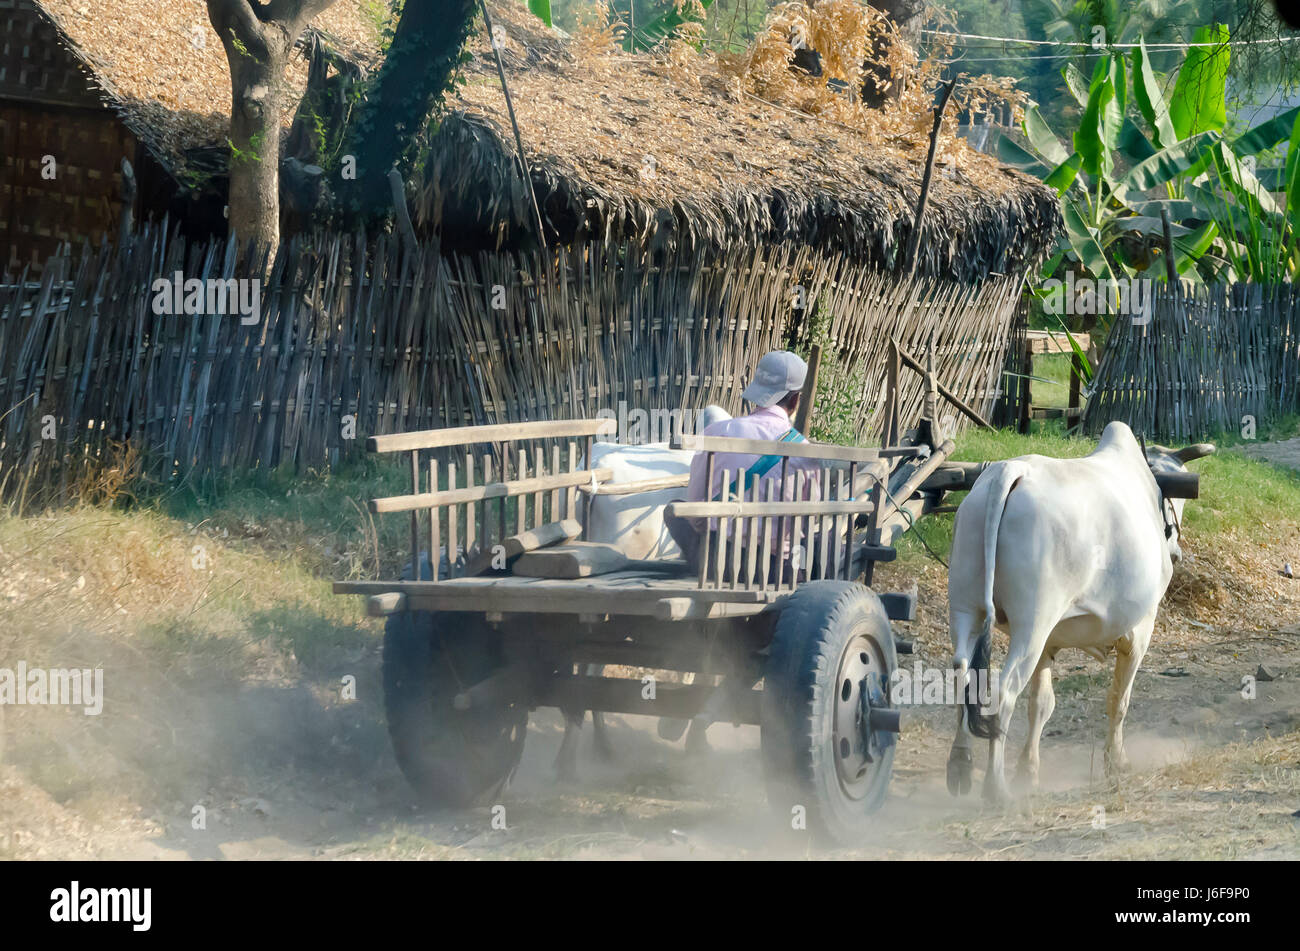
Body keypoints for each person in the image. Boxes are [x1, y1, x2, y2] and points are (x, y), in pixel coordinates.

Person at [665, 350, 824, 579]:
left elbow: (695, 508)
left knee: (675, 509)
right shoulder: (805, 451)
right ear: (796, 399)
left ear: (756, 392)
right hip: (773, 572)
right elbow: (809, 520)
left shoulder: (716, 432)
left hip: (716, 562)